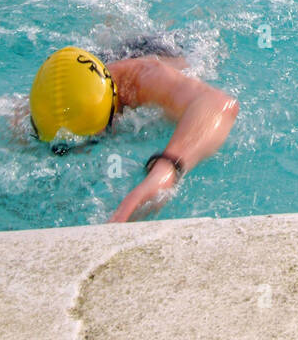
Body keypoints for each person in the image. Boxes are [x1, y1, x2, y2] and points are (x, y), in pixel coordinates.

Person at [22, 39, 239, 222]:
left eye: (92, 140)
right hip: (102, 61)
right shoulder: (39, 107)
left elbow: (218, 104)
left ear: (113, 112)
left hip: (169, 50)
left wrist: (167, 170)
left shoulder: (141, 80)